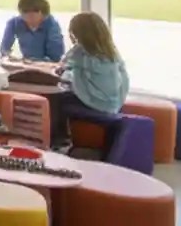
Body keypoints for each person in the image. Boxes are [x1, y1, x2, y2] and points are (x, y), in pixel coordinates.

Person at [50, 12, 130, 148]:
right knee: (66, 96)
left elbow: (63, 68)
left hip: (96, 104)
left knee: (57, 100)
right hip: (114, 104)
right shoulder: (112, 54)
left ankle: (60, 139)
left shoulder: (80, 53)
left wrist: (63, 72)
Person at [0, 0, 66, 62]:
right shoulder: (14, 23)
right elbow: (4, 49)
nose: (29, 15)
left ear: (43, 12)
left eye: (35, 11)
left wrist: (29, 61)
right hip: (25, 65)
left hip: (47, 67)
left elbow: (56, 57)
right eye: (25, 11)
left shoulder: (52, 25)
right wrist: (8, 57)